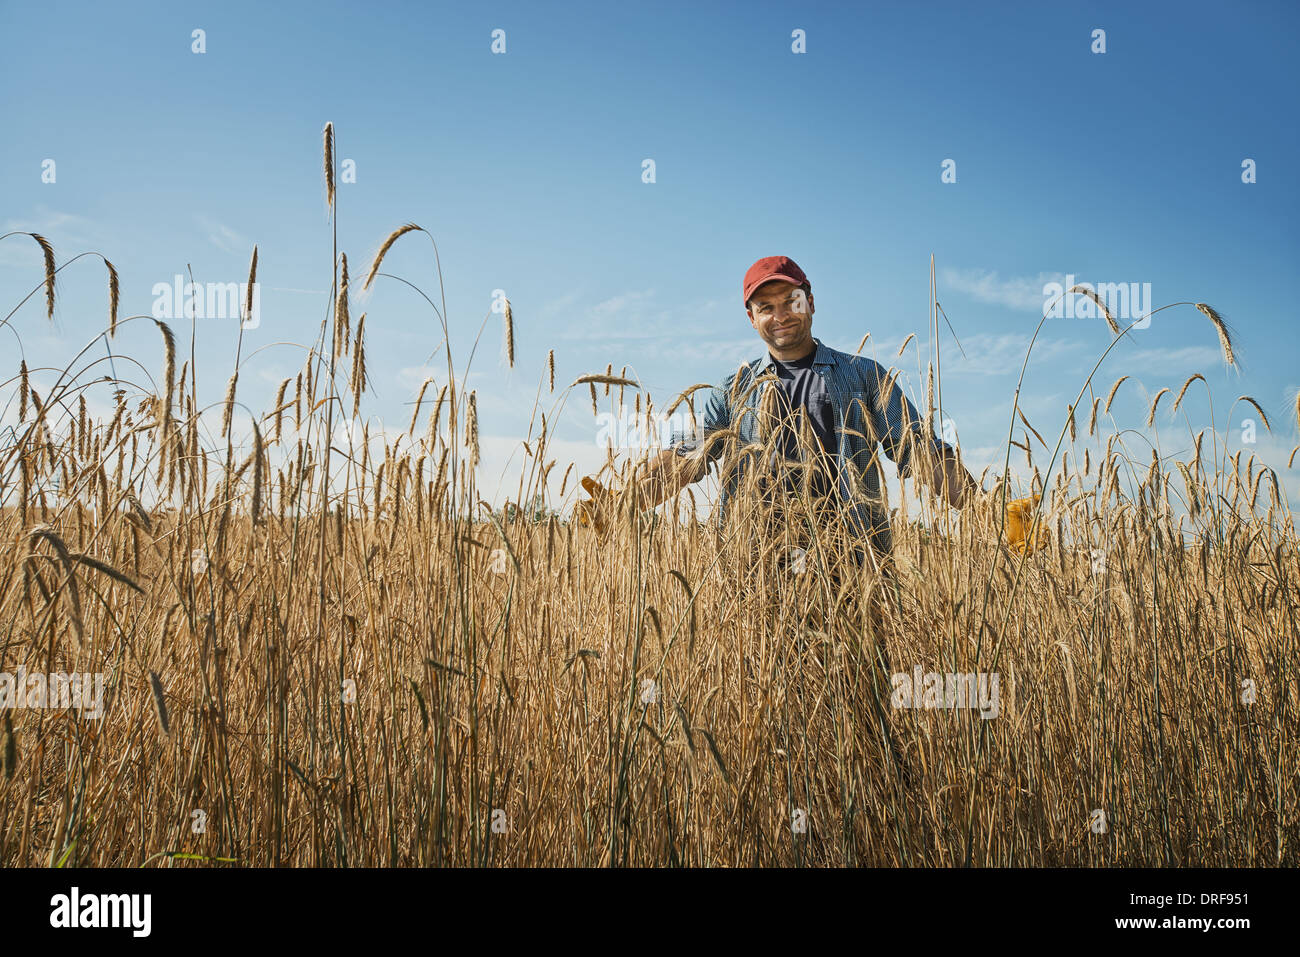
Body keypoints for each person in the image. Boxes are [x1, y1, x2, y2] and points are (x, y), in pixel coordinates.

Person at [577, 255, 980, 574]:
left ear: (811, 303)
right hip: (758, 567)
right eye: (766, 307)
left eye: (791, 302)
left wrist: (987, 513)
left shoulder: (864, 376)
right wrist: (623, 504)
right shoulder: (732, 390)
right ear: (751, 319)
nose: (781, 315)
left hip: (854, 564)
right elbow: (682, 458)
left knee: (859, 678)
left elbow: (920, 451)